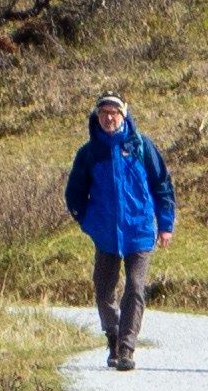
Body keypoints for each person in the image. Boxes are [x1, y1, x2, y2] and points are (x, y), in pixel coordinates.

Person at [65, 93, 176, 371]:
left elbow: (162, 184)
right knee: (104, 292)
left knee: (135, 288)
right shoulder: (89, 153)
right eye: (104, 113)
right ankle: (113, 336)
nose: (109, 118)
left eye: (114, 112)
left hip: (139, 230)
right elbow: (75, 193)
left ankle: (126, 349)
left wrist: (165, 225)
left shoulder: (141, 147)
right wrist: (87, 221)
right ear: (97, 116)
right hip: (105, 235)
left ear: (123, 115)